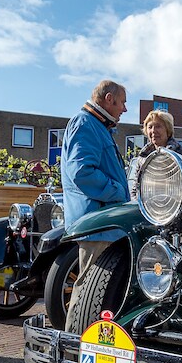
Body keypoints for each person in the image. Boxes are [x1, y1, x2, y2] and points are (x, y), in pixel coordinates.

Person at [62, 80, 130, 275]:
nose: (124, 109)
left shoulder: (96, 126)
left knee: (101, 293)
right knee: (90, 295)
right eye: (122, 102)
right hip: (97, 225)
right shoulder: (86, 123)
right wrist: (118, 191)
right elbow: (81, 172)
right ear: (109, 99)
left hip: (102, 225)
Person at [129, 109, 182, 197]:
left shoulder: (181, 153)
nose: (153, 131)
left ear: (168, 130)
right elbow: (135, 189)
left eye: (158, 126)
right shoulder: (143, 157)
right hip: (150, 206)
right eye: (150, 127)